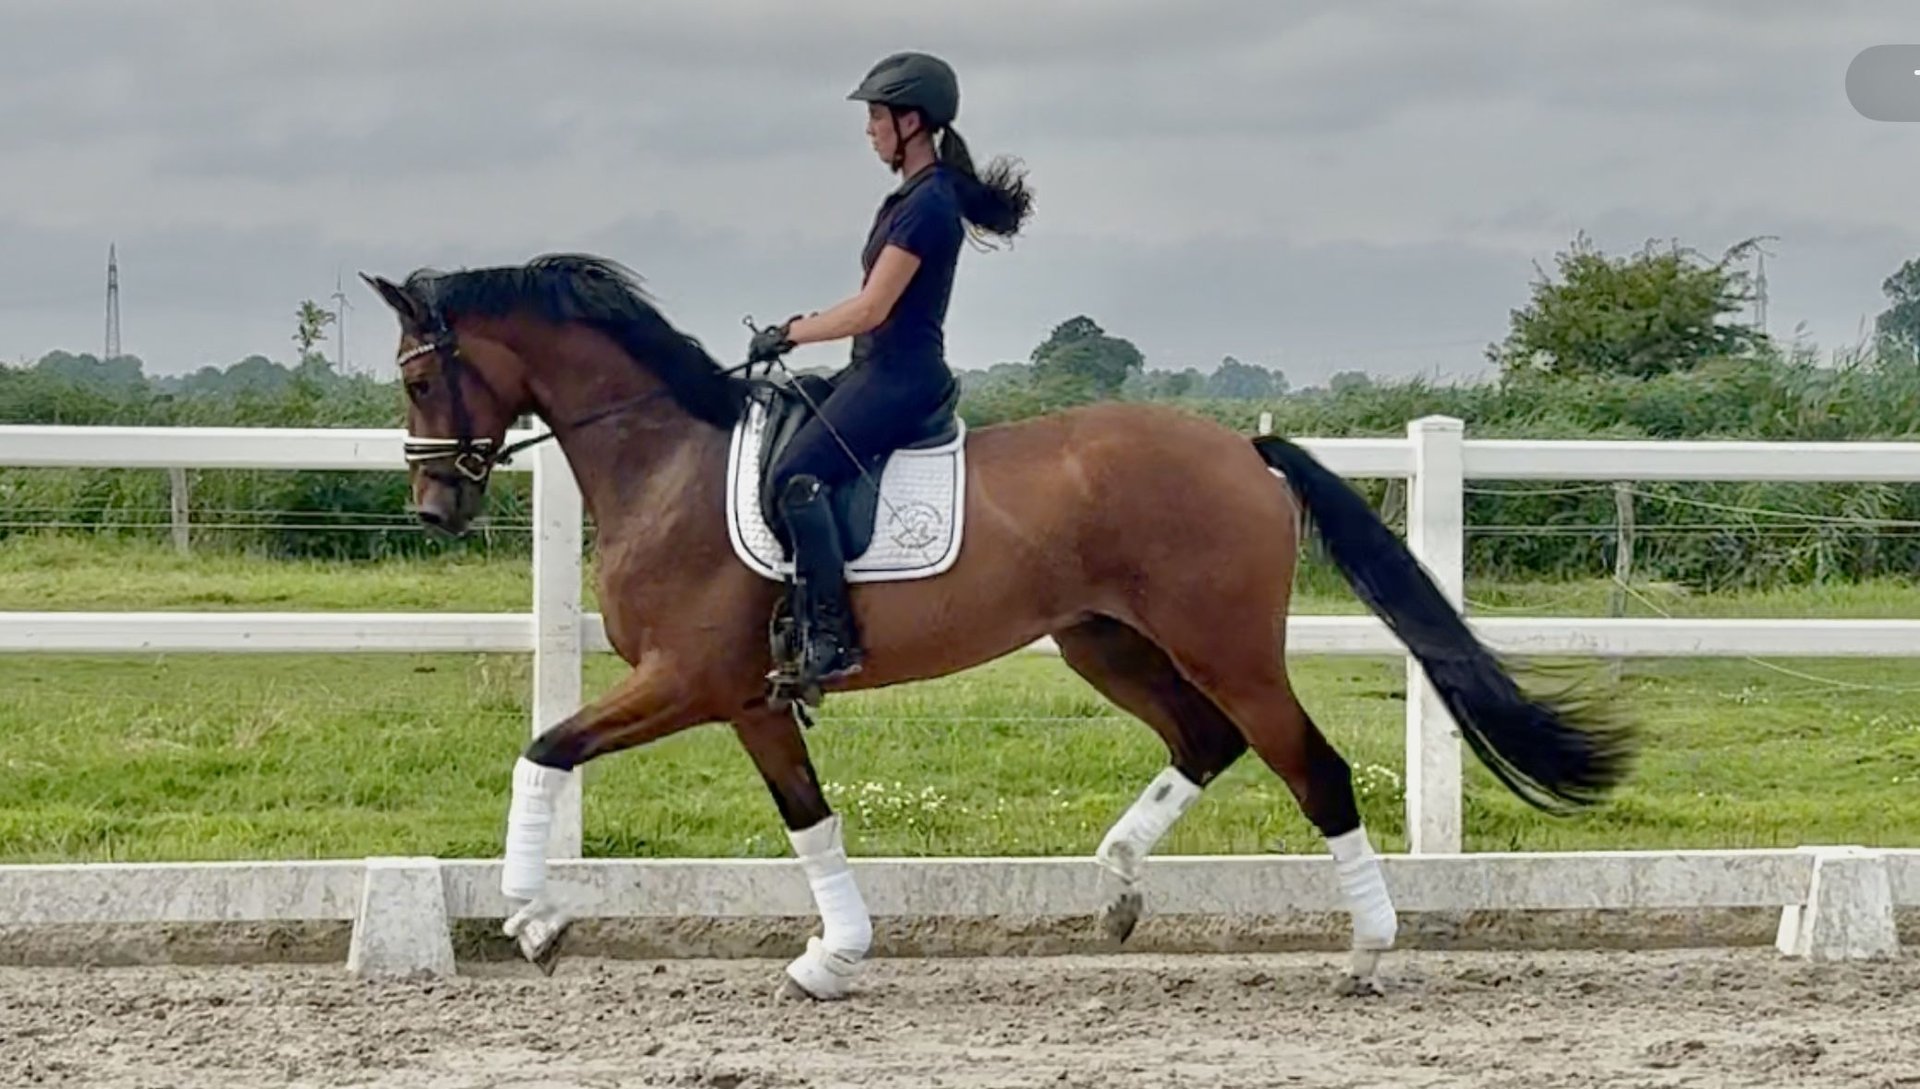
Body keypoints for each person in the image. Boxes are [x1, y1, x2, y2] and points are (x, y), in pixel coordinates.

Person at [748, 50, 1034, 702]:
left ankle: (829, 638)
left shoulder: (928, 205)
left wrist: (791, 331)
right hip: (875, 368)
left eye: (878, 116)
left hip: (901, 377)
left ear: (911, 122)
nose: (869, 129)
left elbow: (872, 308)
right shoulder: (910, 197)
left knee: (797, 477)